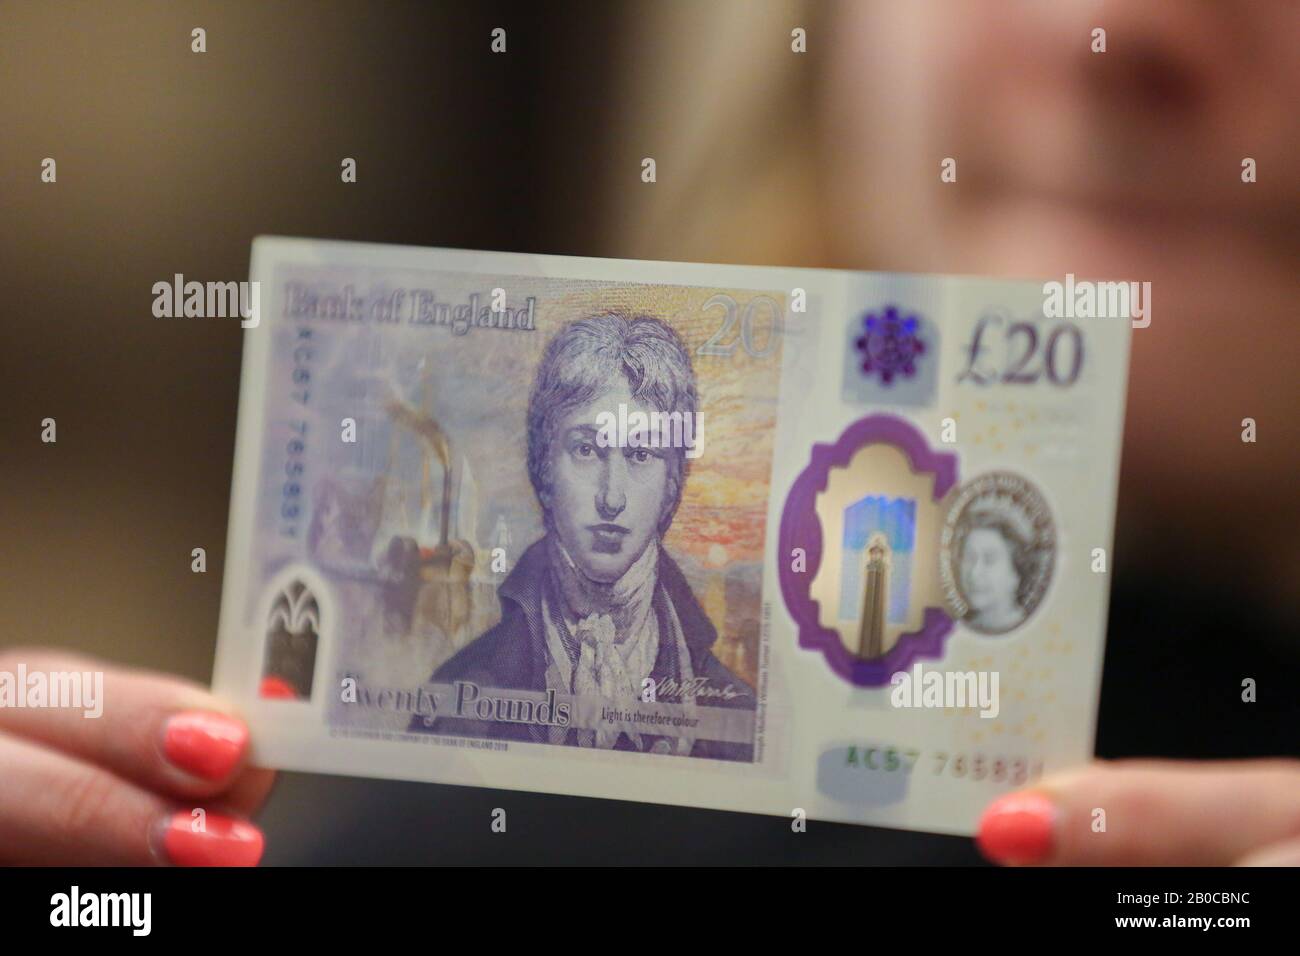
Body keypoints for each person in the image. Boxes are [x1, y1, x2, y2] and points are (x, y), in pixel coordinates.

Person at [412, 313, 755, 759]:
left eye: (640, 453)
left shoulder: (736, 716)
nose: (611, 498)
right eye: (587, 449)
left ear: (673, 481)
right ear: (544, 467)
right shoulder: (458, 696)